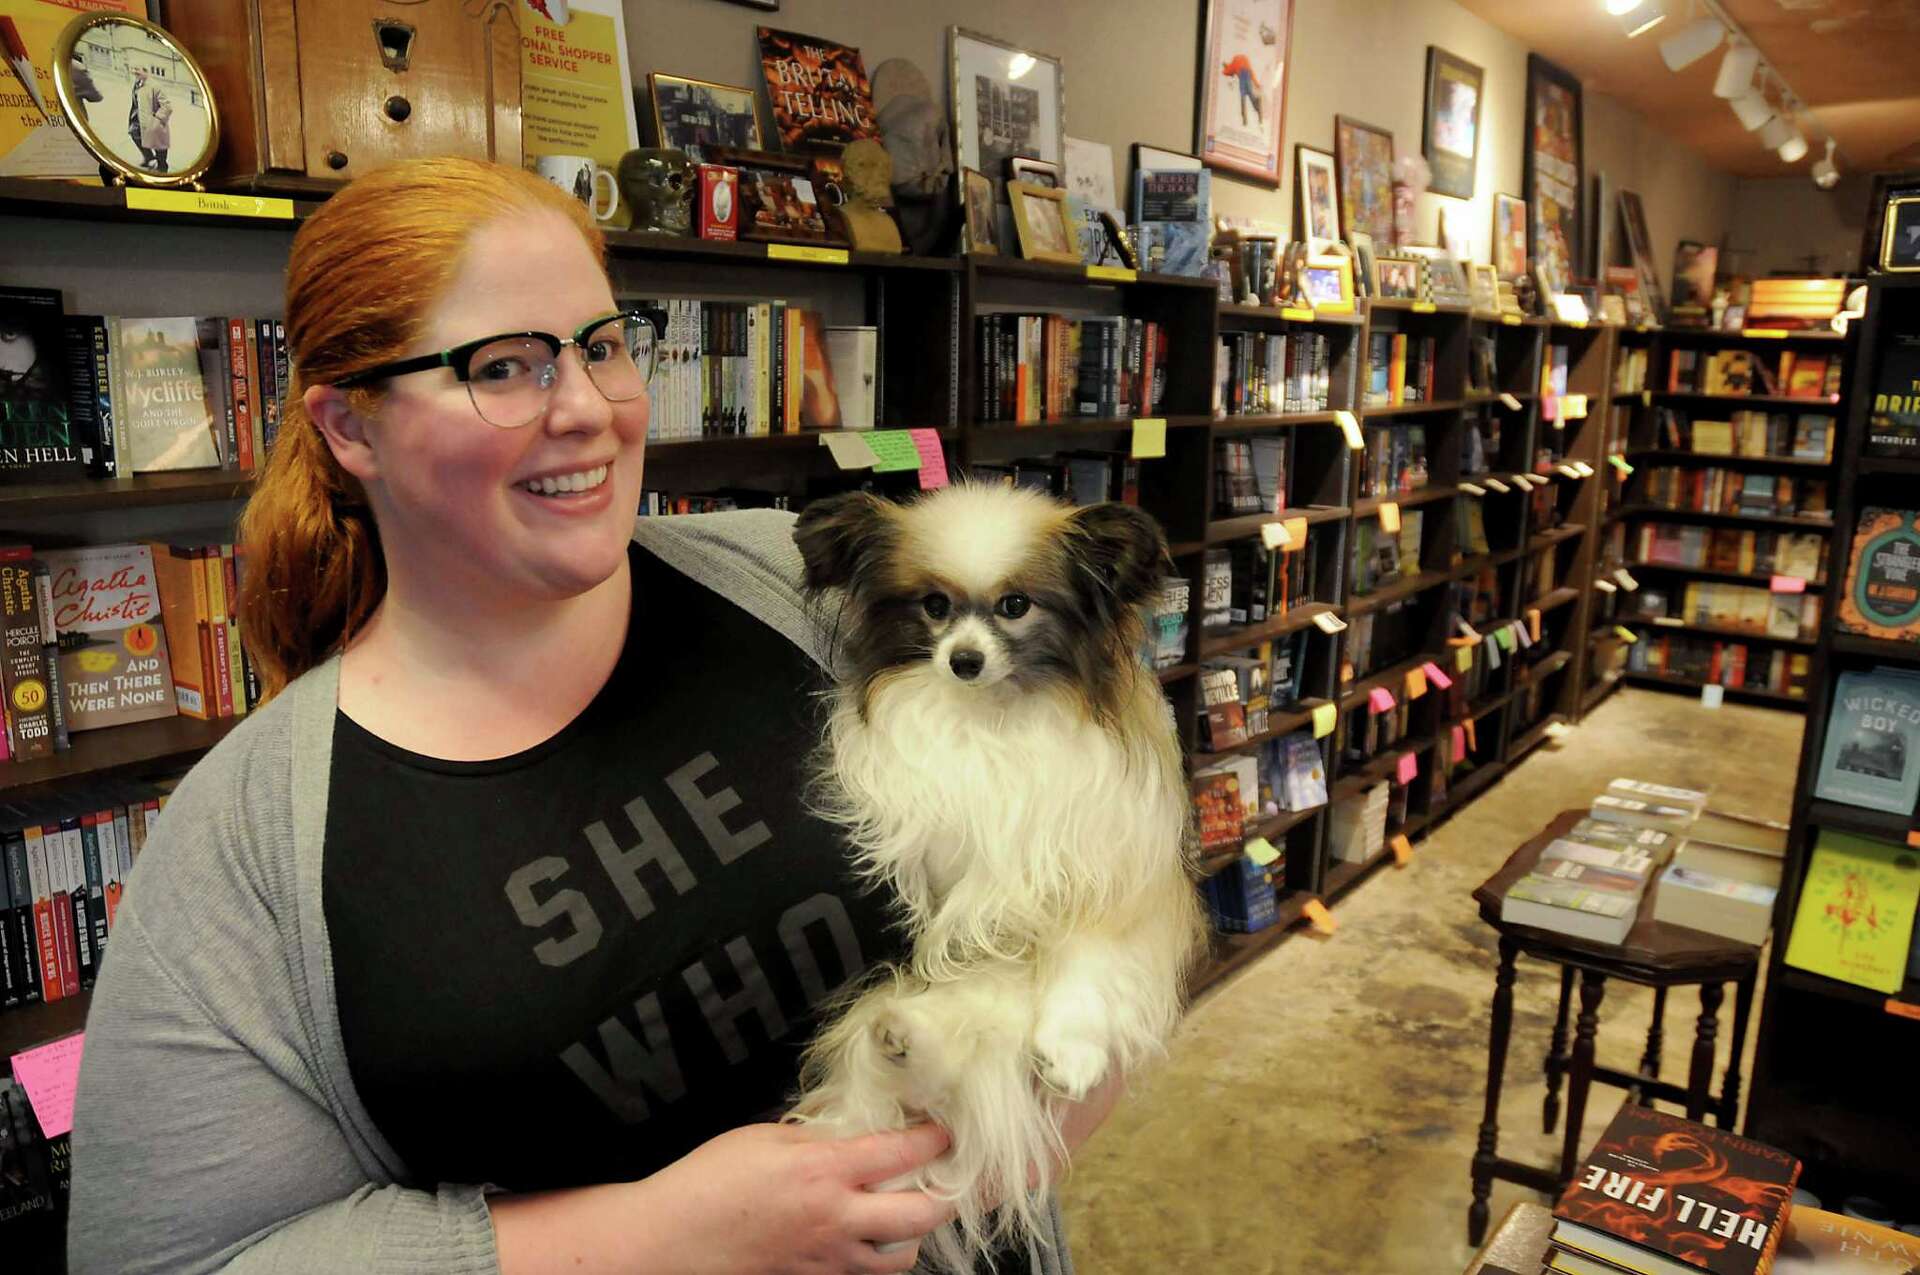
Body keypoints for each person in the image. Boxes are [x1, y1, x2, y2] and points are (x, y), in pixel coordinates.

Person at [67, 156, 1119, 1274]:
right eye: (504, 368)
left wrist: (1035, 1107)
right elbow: (175, 1261)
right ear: (350, 428)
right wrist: (666, 1237)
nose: (587, 411)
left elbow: (1093, 878)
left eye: (603, 346)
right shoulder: (249, 846)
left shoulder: (816, 593)